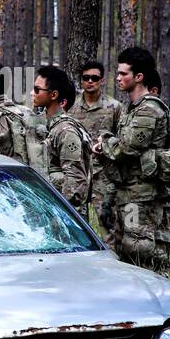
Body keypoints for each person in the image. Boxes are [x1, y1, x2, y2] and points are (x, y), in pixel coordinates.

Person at [93, 46, 170, 274]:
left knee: (142, 256)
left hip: (146, 200)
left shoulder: (149, 109)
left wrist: (104, 142)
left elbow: (126, 149)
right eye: (118, 73)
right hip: (131, 196)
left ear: (139, 77)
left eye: (124, 74)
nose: (118, 78)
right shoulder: (131, 110)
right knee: (128, 253)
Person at [35, 65, 92, 209]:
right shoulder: (51, 127)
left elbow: (76, 180)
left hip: (64, 215)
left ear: (53, 95)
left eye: (37, 90)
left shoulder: (65, 131)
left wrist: (60, 211)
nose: (32, 93)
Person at [70, 61, 117, 223]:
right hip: (77, 172)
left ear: (102, 80)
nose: (90, 81)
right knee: (75, 223)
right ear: (81, 80)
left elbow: (120, 139)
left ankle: (108, 250)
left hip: (102, 174)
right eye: (86, 77)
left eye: (95, 78)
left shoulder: (114, 107)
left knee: (106, 224)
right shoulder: (71, 105)